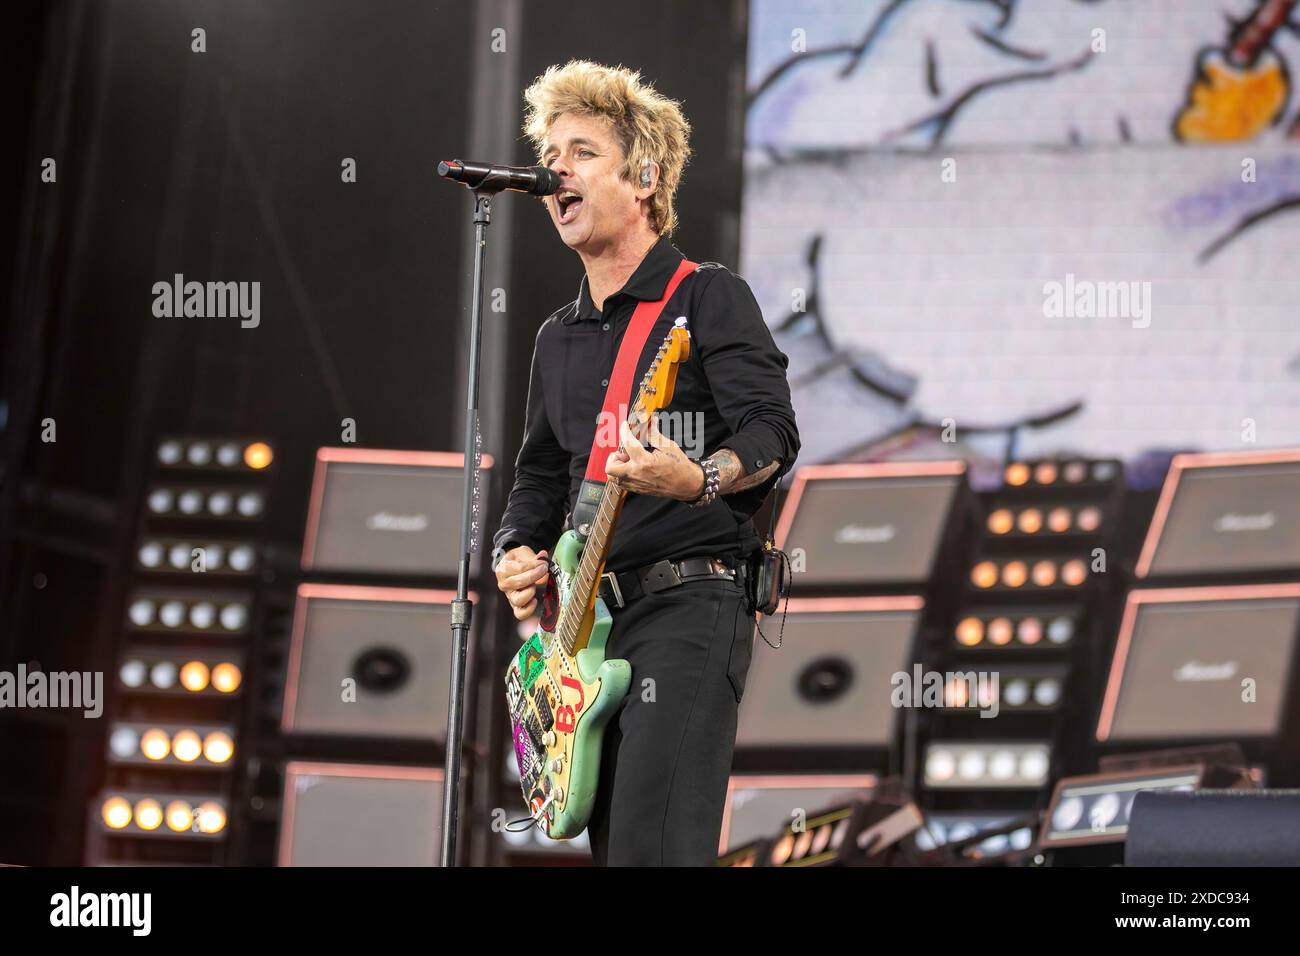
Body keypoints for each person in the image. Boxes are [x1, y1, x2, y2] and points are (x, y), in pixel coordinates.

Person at [492, 60, 800, 866]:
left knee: (655, 847)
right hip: (589, 624)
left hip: (689, 606)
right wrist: (514, 551)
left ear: (645, 179)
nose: (557, 169)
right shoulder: (557, 336)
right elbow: (539, 474)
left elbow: (773, 432)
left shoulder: (707, 297)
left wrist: (699, 476)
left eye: (583, 151)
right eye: (552, 152)